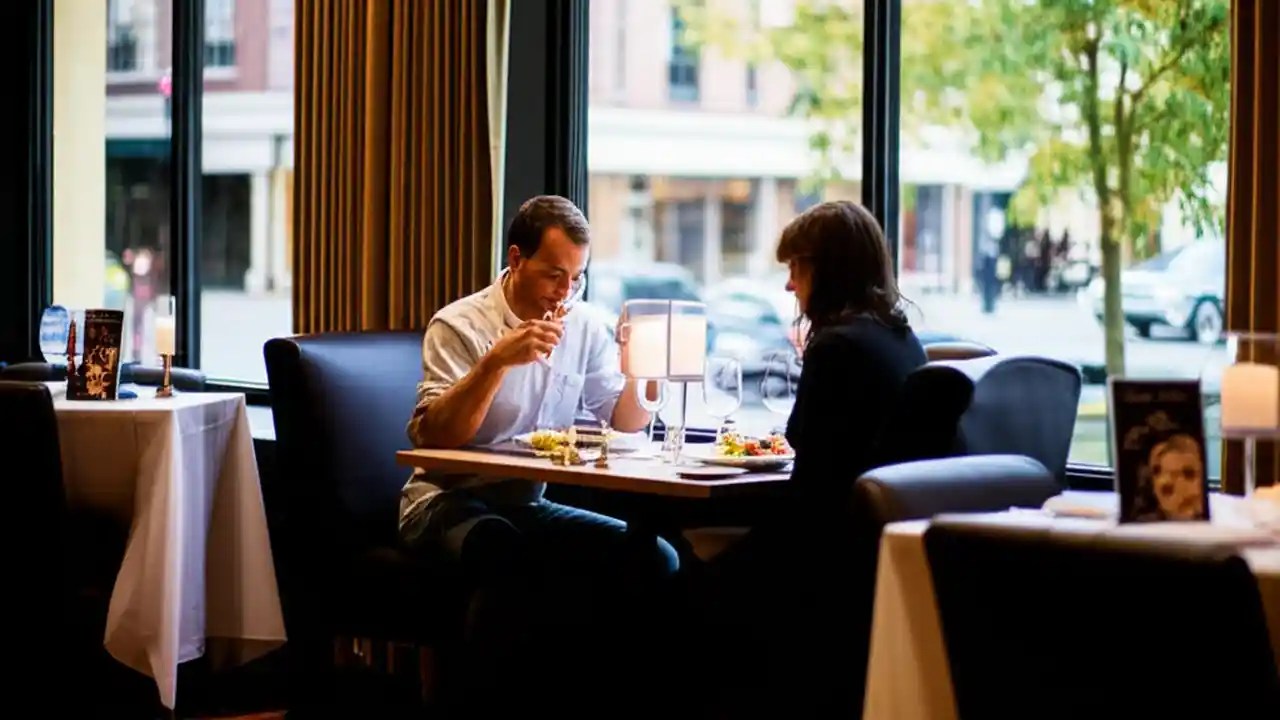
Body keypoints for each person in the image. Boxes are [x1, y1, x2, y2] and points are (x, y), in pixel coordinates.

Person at [398, 195, 678, 709]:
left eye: (577, 277)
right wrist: (495, 364)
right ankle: (474, 715)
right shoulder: (460, 325)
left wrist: (642, 367)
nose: (565, 292)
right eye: (554, 275)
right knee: (510, 557)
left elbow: (623, 423)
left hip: (527, 503)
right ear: (516, 259)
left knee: (653, 558)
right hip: (444, 499)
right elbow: (436, 439)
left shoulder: (586, 326)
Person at [691, 200, 927, 716]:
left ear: (829, 269)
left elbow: (812, 481)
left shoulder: (838, 349)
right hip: (870, 551)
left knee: (676, 579)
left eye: (797, 267)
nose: (789, 285)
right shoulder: (903, 341)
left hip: (822, 555)